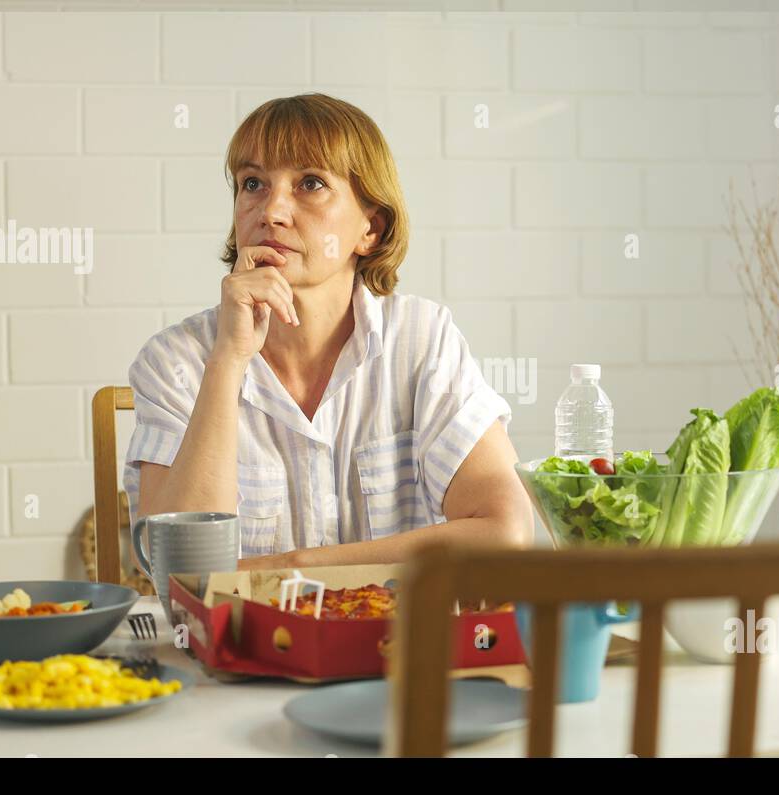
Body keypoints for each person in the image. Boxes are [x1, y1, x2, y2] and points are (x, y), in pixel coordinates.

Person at [123, 93, 533, 570]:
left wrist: (287, 566)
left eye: (310, 183)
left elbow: (504, 532)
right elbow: (177, 570)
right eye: (252, 183)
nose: (271, 212)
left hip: (392, 641)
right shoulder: (175, 361)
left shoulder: (422, 340)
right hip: (237, 644)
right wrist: (229, 359)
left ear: (371, 229)